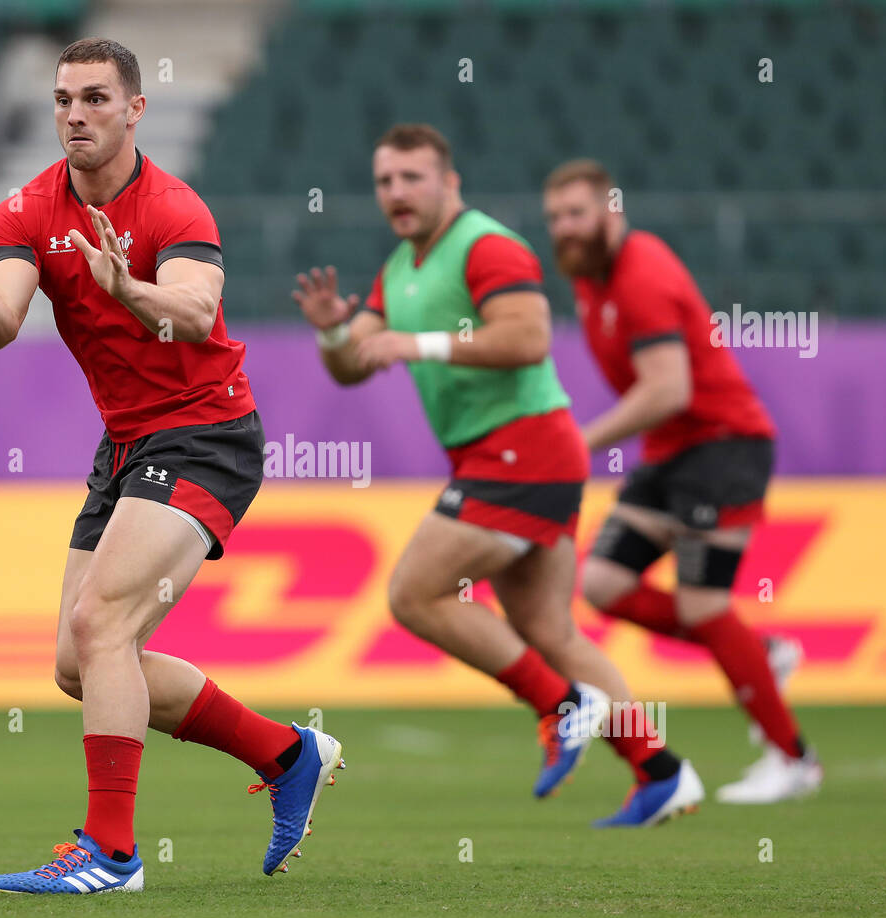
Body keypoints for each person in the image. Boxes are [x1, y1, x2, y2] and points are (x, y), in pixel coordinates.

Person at [0, 38, 344, 893]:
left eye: (96, 99)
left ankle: (110, 854)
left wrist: (127, 288)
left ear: (135, 109)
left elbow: (194, 309)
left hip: (206, 433)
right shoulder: (23, 213)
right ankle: (284, 751)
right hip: (126, 447)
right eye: (64, 99)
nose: (76, 113)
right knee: (78, 665)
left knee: (102, 626)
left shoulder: (175, 208)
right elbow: (2, 321)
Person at [295, 124, 703, 827]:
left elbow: (528, 337)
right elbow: (356, 363)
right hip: (508, 458)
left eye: (412, 177)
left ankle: (563, 705)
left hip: (523, 449)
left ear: (449, 182)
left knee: (415, 593)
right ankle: (662, 773)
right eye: (386, 180)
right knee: (552, 633)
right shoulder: (398, 269)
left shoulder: (485, 244)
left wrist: (414, 342)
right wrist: (336, 331)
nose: (397, 192)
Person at [542, 158, 821, 804]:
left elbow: (670, 389)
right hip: (671, 453)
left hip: (722, 446)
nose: (565, 228)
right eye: (555, 217)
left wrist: (577, 442)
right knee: (604, 584)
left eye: (578, 213)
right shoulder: (589, 278)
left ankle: (794, 758)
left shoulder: (641, 274)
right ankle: (758, 651)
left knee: (704, 606)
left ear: (613, 212)